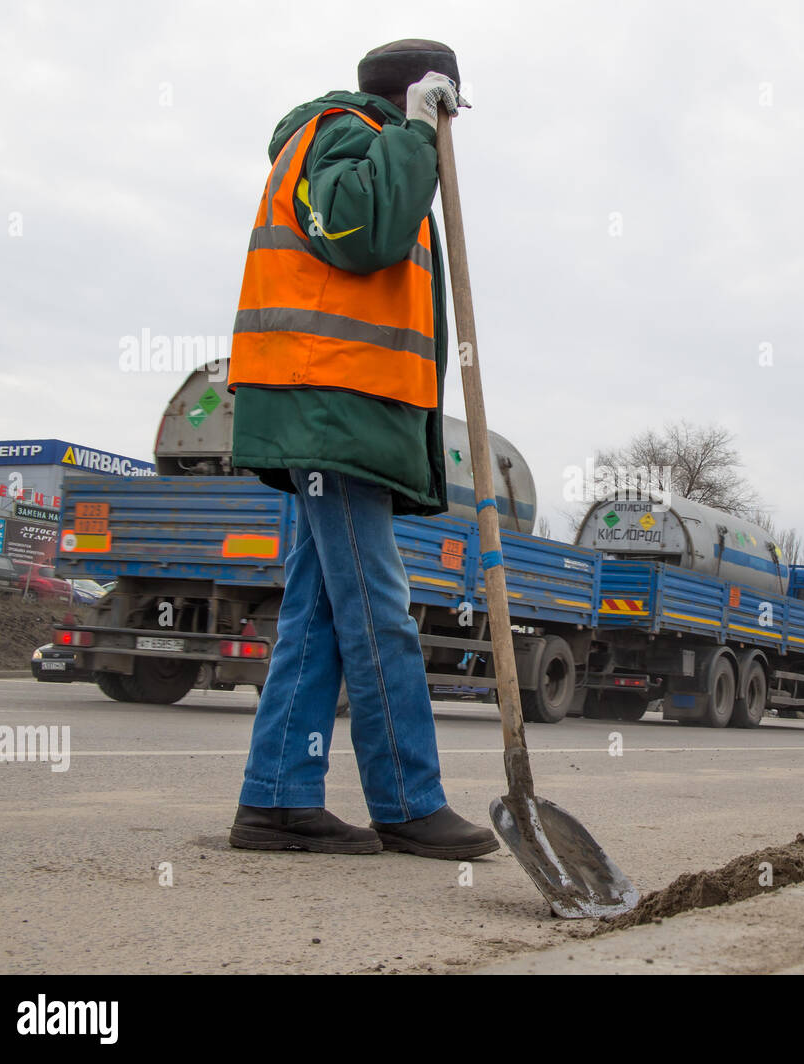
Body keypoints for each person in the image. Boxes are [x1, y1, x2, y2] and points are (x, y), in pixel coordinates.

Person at [224, 39, 496, 859]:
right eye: (449, 113)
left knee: (314, 616)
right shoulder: (344, 135)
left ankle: (276, 798)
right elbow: (358, 230)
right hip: (329, 411)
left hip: (345, 415)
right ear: (429, 100)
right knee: (380, 611)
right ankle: (408, 802)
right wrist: (415, 134)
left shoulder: (380, 151)